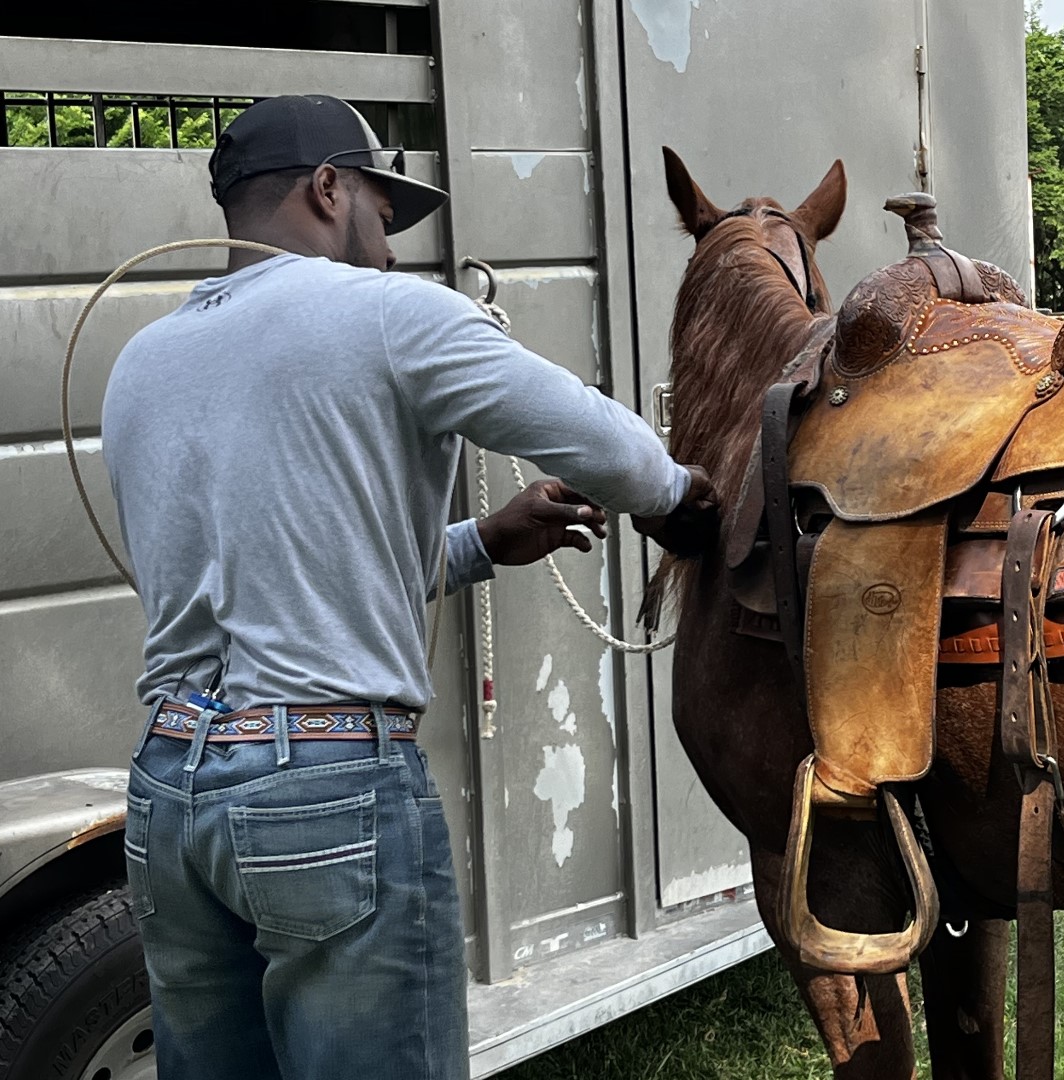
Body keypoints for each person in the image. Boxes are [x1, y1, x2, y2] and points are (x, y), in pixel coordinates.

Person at [100, 95, 713, 1078]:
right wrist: (685, 498)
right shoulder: (391, 315)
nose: (389, 252)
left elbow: (290, 573)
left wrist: (479, 542)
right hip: (324, 787)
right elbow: (611, 450)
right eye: (383, 220)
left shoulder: (139, 364)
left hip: (170, 795)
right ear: (328, 187)